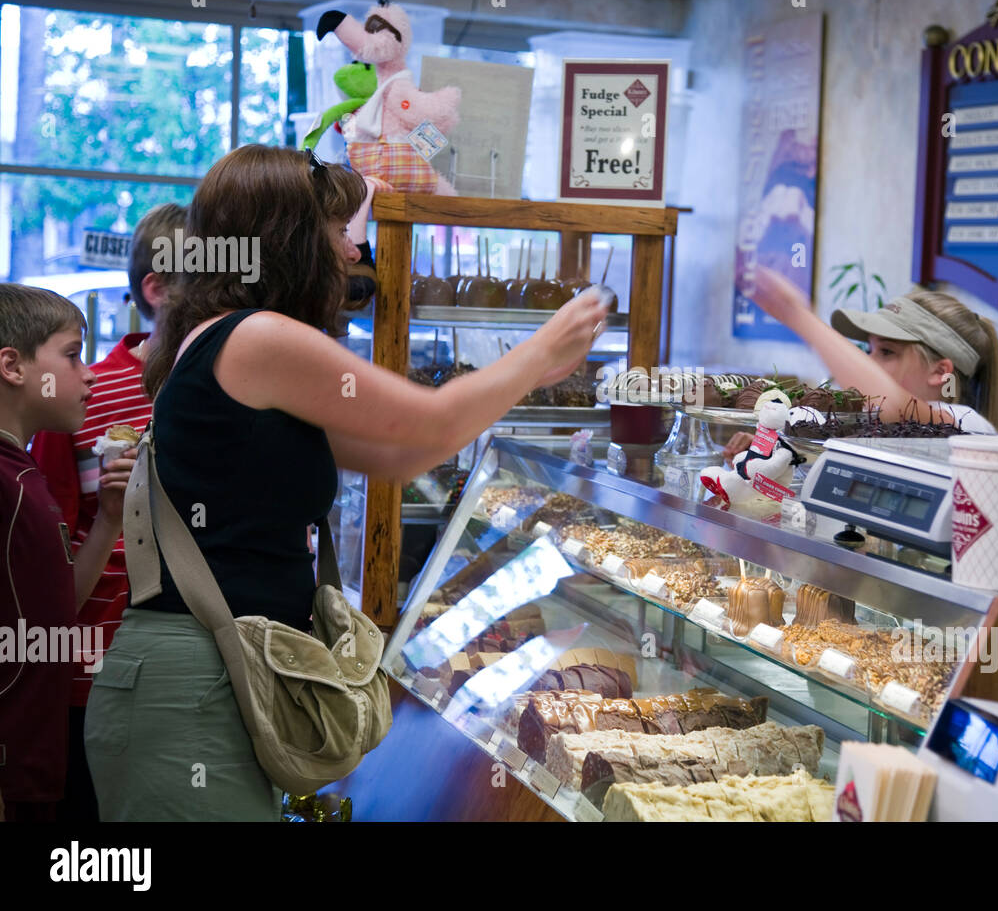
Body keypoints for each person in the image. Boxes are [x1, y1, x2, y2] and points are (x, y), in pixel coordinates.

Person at [84, 145, 608, 821]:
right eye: (336, 233)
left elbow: (402, 458)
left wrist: (522, 378)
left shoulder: (232, 339)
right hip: (192, 686)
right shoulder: (256, 337)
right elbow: (431, 420)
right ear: (290, 241)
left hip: (214, 677)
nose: (350, 253)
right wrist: (539, 350)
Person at [30, 203, 184, 822]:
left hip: (194, 670)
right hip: (94, 671)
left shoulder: (237, 389)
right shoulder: (83, 396)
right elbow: (50, 549)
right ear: (158, 288)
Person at [0, 285, 136, 821]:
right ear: (12, 365)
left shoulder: (24, 473)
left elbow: (58, 612)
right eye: (73, 354)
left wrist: (107, 520)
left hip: (33, 760)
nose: (90, 374)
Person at [723, 266, 998, 461]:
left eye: (887, 352)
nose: (869, 363)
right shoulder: (876, 425)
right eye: (870, 350)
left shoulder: (971, 427)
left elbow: (894, 404)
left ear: (941, 372)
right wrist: (772, 452)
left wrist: (796, 314)